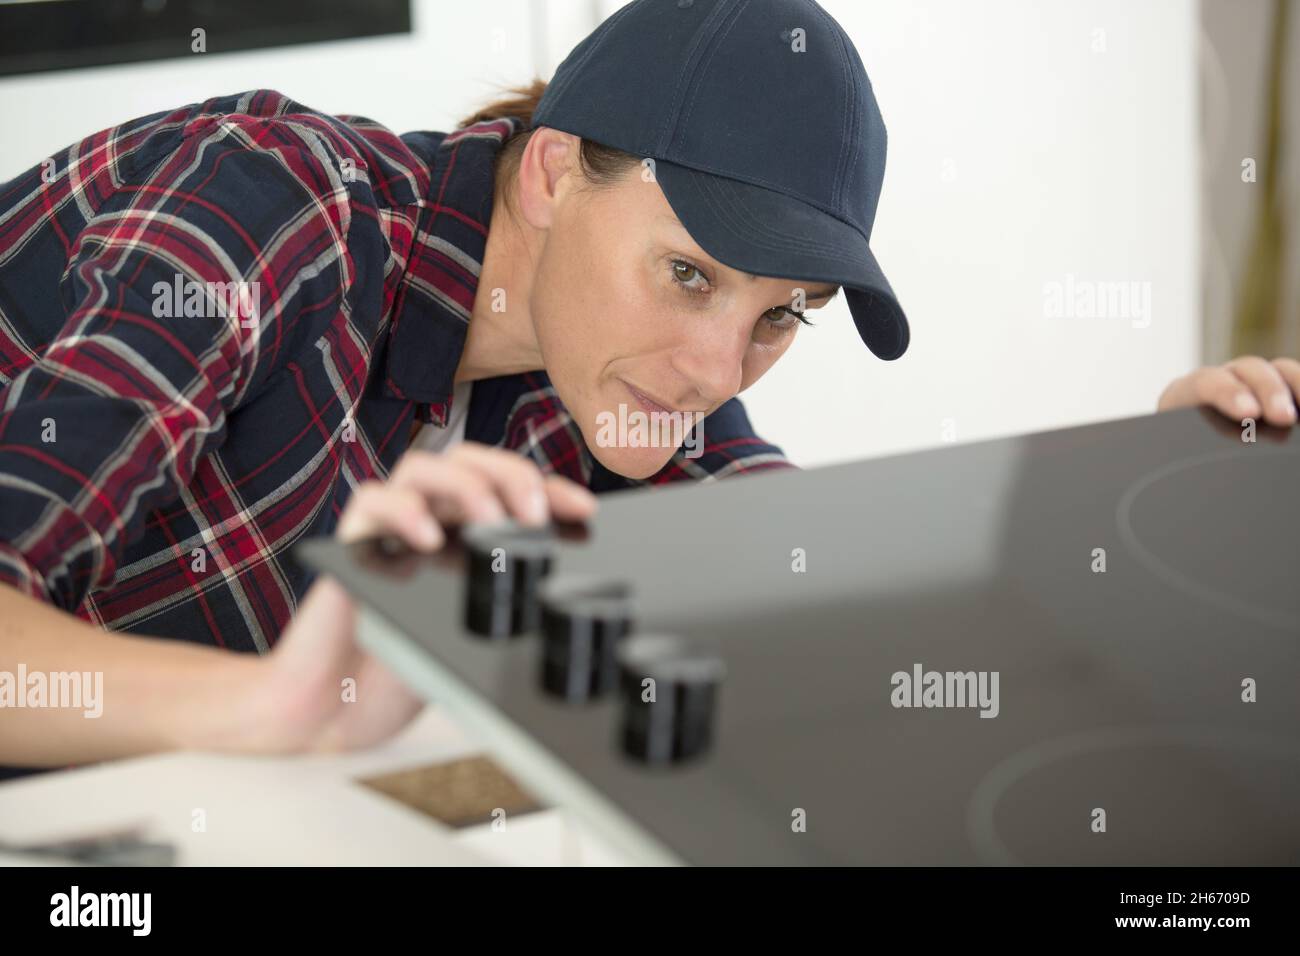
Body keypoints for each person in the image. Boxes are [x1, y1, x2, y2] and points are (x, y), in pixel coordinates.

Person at [1, 0, 1296, 775]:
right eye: (687, 274)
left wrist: (1141, 498)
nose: (718, 371)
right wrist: (281, 708)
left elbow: (852, 636)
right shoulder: (259, 209)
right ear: (556, 173)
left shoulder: (625, 385)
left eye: (781, 316)